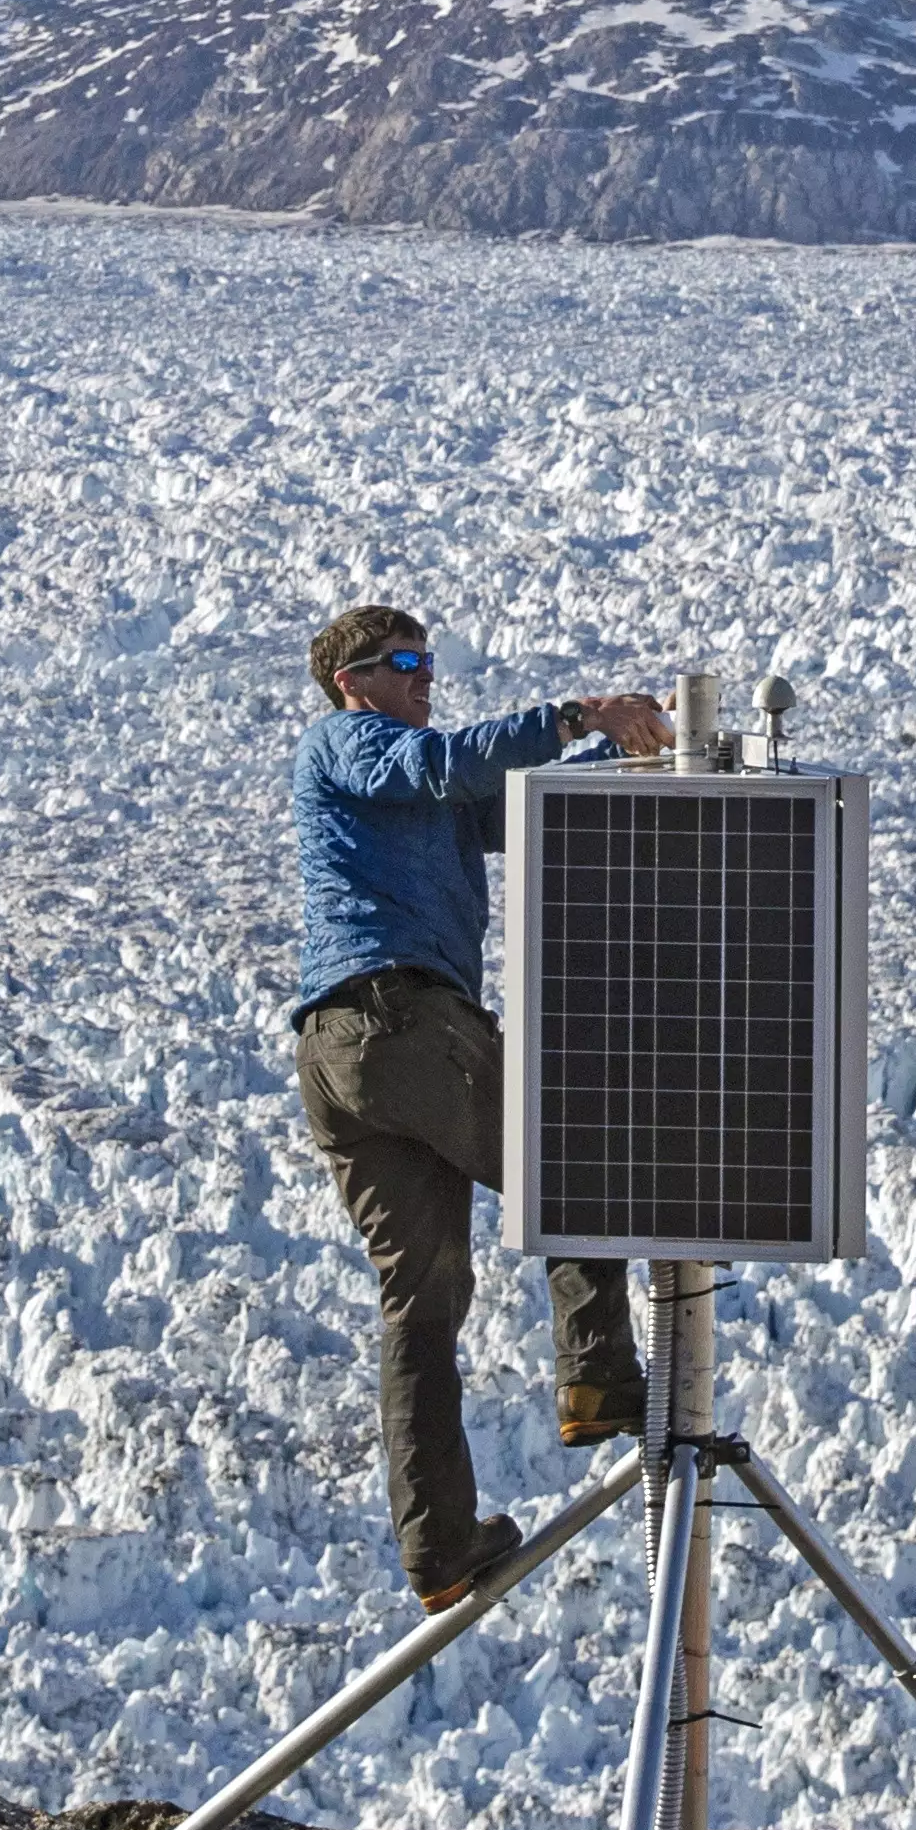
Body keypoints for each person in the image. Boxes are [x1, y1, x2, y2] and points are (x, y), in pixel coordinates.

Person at [291, 603, 671, 1610]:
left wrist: (641, 766)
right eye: (404, 662)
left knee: (421, 1301)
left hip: (345, 1059)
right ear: (351, 679)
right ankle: (594, 1373)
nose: (425, 676)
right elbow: (432, 763)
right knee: (578, 1144)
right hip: (401, 1019)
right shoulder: (349, 744)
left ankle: (441, 1545)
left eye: (427, 661)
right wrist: (578, 713)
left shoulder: (430, 787)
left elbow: (520, 803)